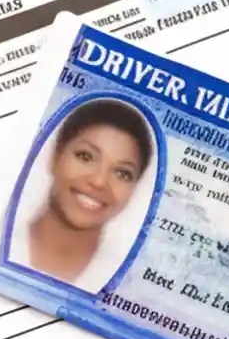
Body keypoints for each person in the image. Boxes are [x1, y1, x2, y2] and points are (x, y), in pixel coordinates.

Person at [13, 99, 154, 288]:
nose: (99, 182)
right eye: (85, 157)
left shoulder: (129, 286)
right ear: (55, 156)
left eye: (122, 173)